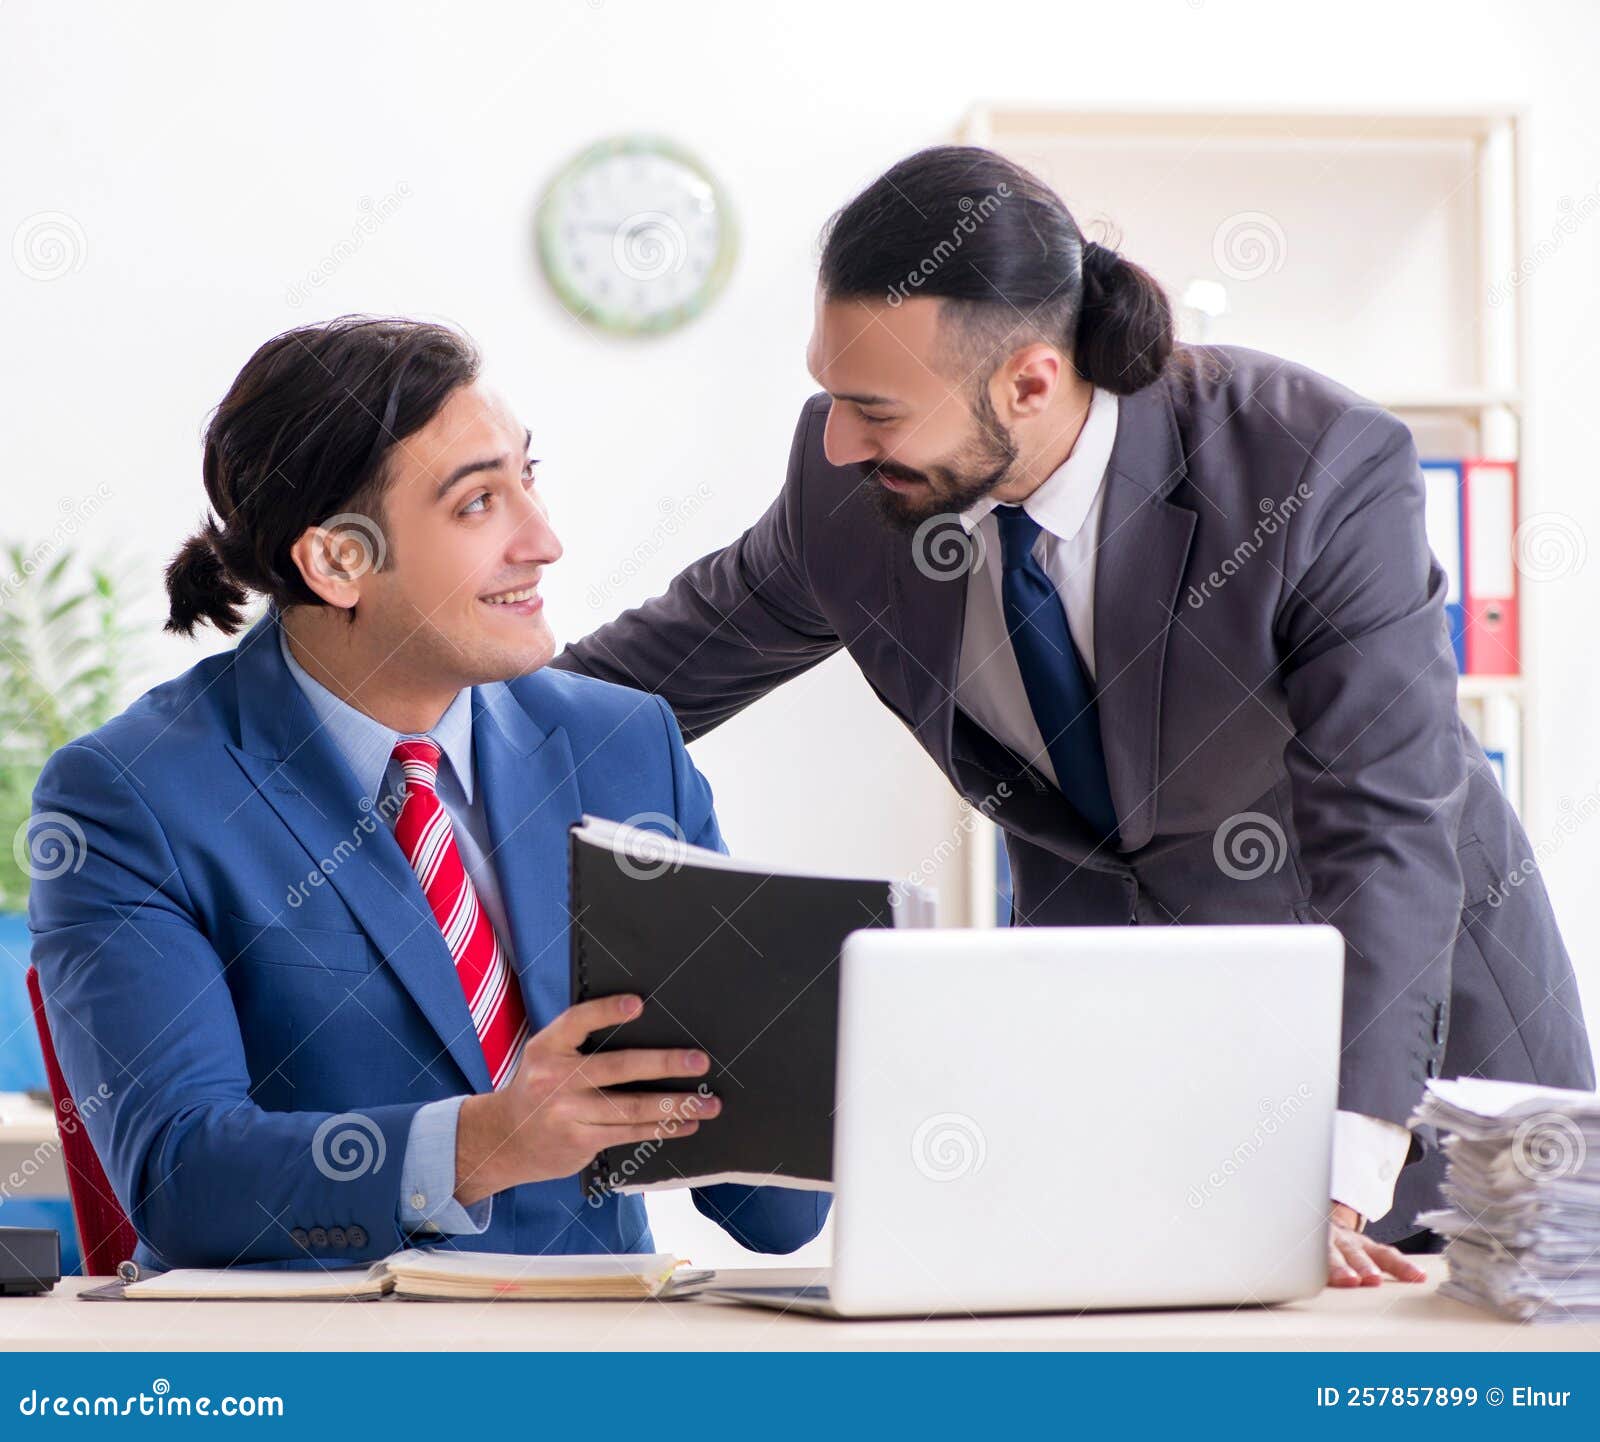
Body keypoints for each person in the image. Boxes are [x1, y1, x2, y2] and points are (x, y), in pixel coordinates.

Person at [555, 146, 1595, 1286]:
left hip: (1410, 1051)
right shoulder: (842, 490)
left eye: (873, 407)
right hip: (1128, 1053)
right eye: (829, 391)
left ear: (1031, 383)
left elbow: (1387, 829)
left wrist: (1341, 1175)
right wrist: (395, 708)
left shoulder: (1311, 466)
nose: (838, 438)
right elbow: (628, 690)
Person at [27, 316, 827, 1270]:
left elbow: (773, 1215)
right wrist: (487, 1142)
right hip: (316, 1372)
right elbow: (182, 1179)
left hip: (599, 1355)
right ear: (336, 561)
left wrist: (815, 1067)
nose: (545, 540)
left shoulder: (621, 745)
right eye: (478, 503)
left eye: (528, 478)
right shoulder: (133, 799)